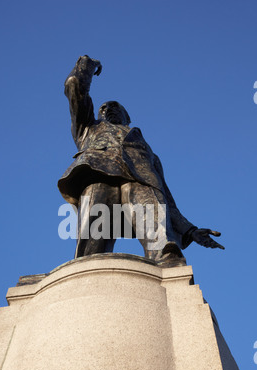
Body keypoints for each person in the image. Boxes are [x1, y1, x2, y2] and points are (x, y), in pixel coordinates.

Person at [58, 55, 224, 265]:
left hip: (140, 183)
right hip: (98, 175)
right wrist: (88, 65)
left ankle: (166, 258)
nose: (108, 110)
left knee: (162, 242)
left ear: (128, 118)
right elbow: (73, 85)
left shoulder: (148, 152)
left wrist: (190, 230)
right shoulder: (88, 129)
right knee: (90, 253)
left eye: (115, 106)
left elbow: (168, 201)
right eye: (103, 108)